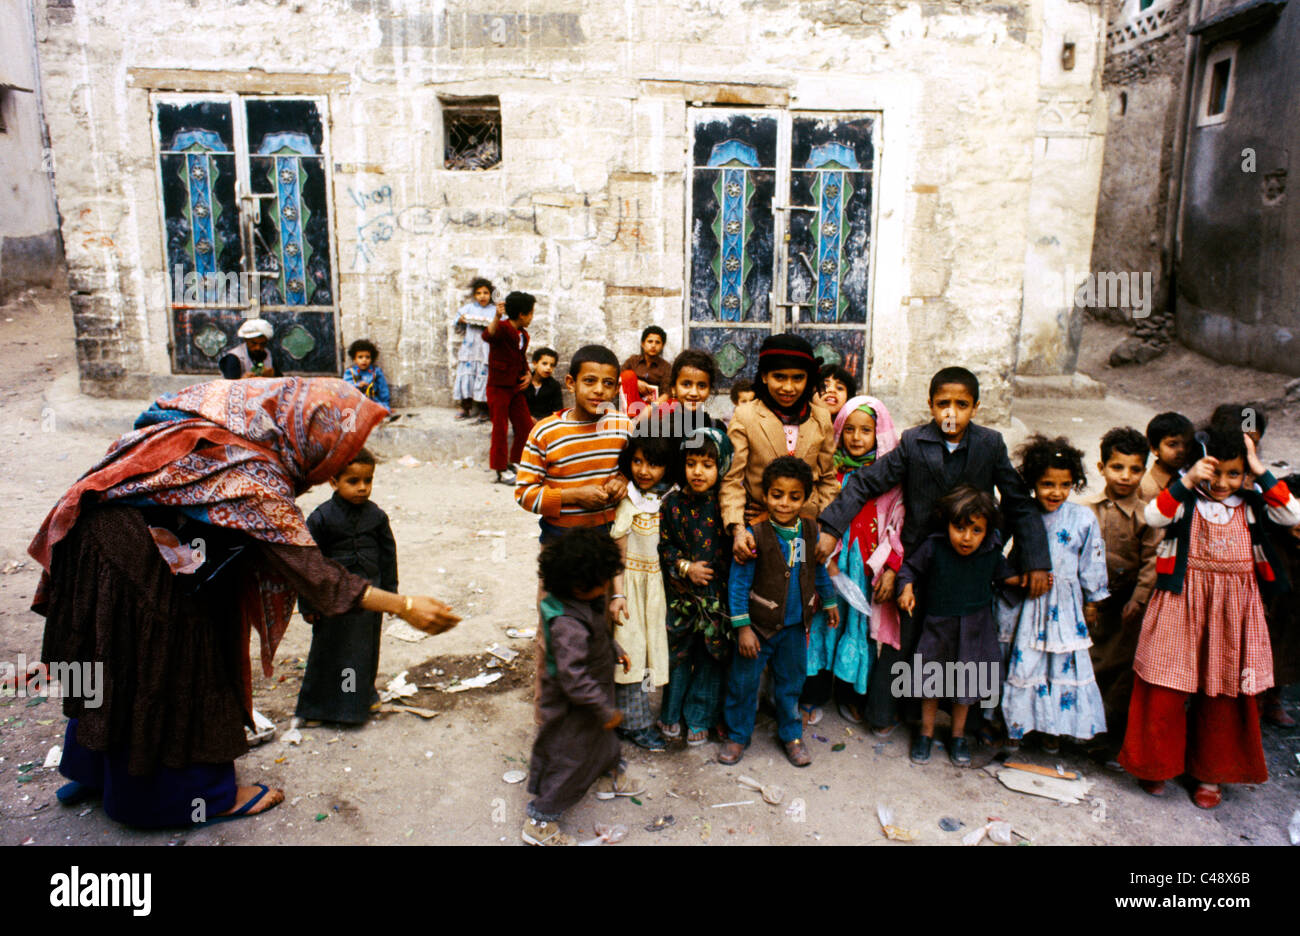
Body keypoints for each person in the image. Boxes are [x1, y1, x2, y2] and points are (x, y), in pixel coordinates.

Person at [28, 378, 459, 828]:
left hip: (86, 541)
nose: (335, 458)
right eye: (336, 448)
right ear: (313, 439)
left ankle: (95, 771)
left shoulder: (223, 415)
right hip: (142, 560)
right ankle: (182, 798)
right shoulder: (255, 477)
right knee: (178, 665)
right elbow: (319, 578)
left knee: (114, 656)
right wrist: (405, 604)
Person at [815, 366, 1051, 737]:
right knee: (906, 639)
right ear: (930, 405)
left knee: (967, 642)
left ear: (976, 407)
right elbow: (866, 481)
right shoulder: (913, 443)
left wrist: (1037, 560)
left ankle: (968, 725)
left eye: (961, 404)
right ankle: (889, 713)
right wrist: (831, 527)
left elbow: (1019, 502)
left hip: (969, 564)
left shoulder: (989, 444)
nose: (951, 413)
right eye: (943, 404)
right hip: (919, 560)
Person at [1120, 427, 1300, 808]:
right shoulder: (1186, 499)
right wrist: (1186, 480)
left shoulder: (1252, 502)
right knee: (1165, 682)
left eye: (1233, 473)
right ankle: (1156, 766)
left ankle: (1210, 773)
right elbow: (1153, 516)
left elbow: (1292, 514)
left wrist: (1258, 468)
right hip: (1181, 599)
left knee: (1224, 690)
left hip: (1233, 609)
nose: (1222, 483)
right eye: (1214, 472)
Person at [525, 528, 645, 846]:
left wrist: (615, 652)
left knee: (606, 745)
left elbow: (599, 638)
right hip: (574, 708)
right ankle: (540, 819)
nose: (607, 586)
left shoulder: (586, 603)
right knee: (571, 761)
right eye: (603, 582)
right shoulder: (567, 624)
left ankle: (608, 778)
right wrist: (603, 708)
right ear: (580, 585)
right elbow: (572, 677)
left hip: (594, 697)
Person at [719, 457, 839, 768]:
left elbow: (816, 570)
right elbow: (738, 584)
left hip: (795, 628)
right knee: (743, 683)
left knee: (790, 684)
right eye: (777, 495)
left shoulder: (809, 531)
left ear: (805, 498)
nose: (784, 503)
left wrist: (828, 601)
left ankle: (791, 735)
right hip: (758, 628)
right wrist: (743, 627)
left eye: (794, 496)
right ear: (765, 494)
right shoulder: (753, 535)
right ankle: (737, 734)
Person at [999, 436, 1109, 751]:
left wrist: (1092, 601)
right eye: (1047, 484)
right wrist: (1010, 578)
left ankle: (1053, 730)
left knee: (1059, 664)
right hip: (1026, 604)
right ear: (1033, 482)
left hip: (1066, 606)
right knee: (1025, 662)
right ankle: (1017, 726)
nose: (1056, 492)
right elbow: (995, 547)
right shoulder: (1021, 512)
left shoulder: (1083, 518)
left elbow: (1093, 559)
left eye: (1064, 484)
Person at [897, 486, 1019, 766]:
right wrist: (906, 589)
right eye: (960, 528)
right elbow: (910, 569)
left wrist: (1026, 579)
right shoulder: (934, 546)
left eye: (976, 530)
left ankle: (958, 736)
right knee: (931, 681)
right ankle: (925, 733)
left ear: (987, 531)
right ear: (947, 524)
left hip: (975, 630)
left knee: (967, 685)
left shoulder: (990, 551)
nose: (967, 537)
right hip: (938, 627)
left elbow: (1005, 577)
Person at [804, 395, 904, 727]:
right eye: (849, 430)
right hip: (830, 562)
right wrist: (829, 561)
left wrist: (889, 567)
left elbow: (897, 523)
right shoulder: (831, 472)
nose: (856, 438)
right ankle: (815, 692)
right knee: (824, 621)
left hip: (865, 567)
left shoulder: (891, 479)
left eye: (866, 430)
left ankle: (851, 694)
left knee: (858, 626)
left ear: (880, 433)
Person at [295, 448, 396, 725]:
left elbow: (388, 557)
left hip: (370, 598)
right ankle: (318, 708)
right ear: (333, 481)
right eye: (354, 481)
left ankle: (361, 698)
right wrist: (308, 604)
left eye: (368, 480)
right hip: (332, 600)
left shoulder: (376, 517)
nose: (363, 488)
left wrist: (390, 595)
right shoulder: (321, 518)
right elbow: (309, 565)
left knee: (362, 652)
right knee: (329, 652)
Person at [723, 334, 839, 567]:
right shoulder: (746, 417)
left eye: (798, 378)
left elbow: (827, 480)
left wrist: (826, 529)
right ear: (764, 376)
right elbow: (732, 480)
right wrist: (738, 530)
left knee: (800, 595)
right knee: (763, 596)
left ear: (808, 379)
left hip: (806, 532)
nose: (788, 387)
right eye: (779, 377)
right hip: (758, 532)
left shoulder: (821, 418)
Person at [1083, 427, 1161, 757]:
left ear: (1144, 470)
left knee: (1118, 669)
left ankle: (1107, 737)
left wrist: (1139, 599)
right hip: (1089, 604)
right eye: (1117, 467)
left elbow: (1151, 562)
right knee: (1087, 662)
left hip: (1126, 605)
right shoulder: (1086, 510)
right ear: (1101, 468)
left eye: (1135, 469)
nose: (1126, 477)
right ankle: (1079, 727)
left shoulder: (1149, 516)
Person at [657, 427, 733, 746]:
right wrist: (686, 568)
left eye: (707, 464)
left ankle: (699, 717)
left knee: (709, 657)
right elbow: (663, 547)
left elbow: (735, 551)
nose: (698, 471)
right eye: (691, 463)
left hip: (716, 600)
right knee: (677, 656)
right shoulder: (672, 503)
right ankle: (671, 713)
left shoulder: (727, 507)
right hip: (682, 597)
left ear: (723, 466)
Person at [515, 345, 630, 545]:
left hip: (610, 532)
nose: (599, 390)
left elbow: (636, 470)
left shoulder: (624, 426)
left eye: (608, 383)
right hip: (560, 536)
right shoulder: (545, 432)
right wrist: (573, 496)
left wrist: (622, 482)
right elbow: (524, 494)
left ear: (617, 389)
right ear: (571, 383)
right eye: (589, 381)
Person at [608, 430, 675, 751]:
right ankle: (634, 724)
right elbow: (617, 558)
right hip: (631, 592)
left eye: (653, 464)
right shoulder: (627, 503)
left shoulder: (671, 501)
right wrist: (618, 595)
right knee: (630, 653)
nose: (644, 471)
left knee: (652, 654)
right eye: (637, 461)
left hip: (659, 591)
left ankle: (641, 717)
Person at [484, 291, 536, 485]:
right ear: (522, 314)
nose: (532, 317)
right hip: (498, 387)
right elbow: (488, 334)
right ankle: (500, 468)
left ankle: (516, 461)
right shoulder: (502, 328)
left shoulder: (523, 334)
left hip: (516, 387)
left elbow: (520, 357)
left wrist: (529, 374)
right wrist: (497, 316)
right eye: (530, 313)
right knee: (500, 428)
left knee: (525, 426)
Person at [453, 277, 495, 421]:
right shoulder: (468, 309)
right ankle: (465, 406)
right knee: (467, 375)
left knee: (484, 378)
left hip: (486, 349)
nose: (482, 296)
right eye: (478, 293)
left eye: (485, 293)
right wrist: (461, 320)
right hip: (470, 349)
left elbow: (501, 326)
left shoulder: (494, 311)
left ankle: (484, 408)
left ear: (491, 294)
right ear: (474, 295)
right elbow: (458, 321)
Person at [1139, 411, 1193, 502]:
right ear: (1154, 449)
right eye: (1172, 444)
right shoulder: (1144, 489)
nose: (1181, 450)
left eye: (1186, 445)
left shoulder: (1187, 481)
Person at [622, 325, 672, 401]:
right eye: (650, 341)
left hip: (654, 404)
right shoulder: (633, 361)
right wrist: (635, 383)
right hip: (631, 401)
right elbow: (619, 378)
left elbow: (667, 393)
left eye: (657, 342)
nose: (653, 346)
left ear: (662, 346)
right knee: (627, 375)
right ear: (643, 344)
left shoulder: (666, 367)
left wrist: (653, 406)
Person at [342, 339, 391, 409]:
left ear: (372, 359)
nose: (364, 360)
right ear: (354, 359)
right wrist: (358, 385)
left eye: (367, 357)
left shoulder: (376, 372)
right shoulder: (350, 372)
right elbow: (345, 387)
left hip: (372, 401)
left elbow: (383, 389)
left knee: (382, 408)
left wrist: (385, 403)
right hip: (356, 402)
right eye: (360, 357)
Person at [524, 346, 564, 420]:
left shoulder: (554, 386)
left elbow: (558, 411)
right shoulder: (525, 382)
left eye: (552, 365)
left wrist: (542, 422)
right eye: (544, 364)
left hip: (545, 424)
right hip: (524, 421)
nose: (548, 368)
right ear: (535, 363)